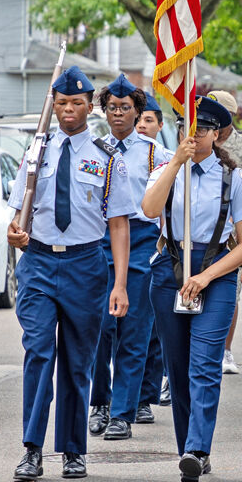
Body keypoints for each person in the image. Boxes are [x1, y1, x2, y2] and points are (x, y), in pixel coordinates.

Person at [8, 65, 134, 482]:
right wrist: (14, 232)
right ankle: (32, 449)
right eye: (61, 102)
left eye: (76, 103)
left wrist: (119, 284)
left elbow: (118, 224)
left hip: (85, 265)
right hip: (40, 262)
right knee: (39, 353)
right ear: (55, 105)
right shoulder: (35, 151)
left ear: (88, 106)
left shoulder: (106, 158)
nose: (68, 110)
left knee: (78, 361)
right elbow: (16, 212)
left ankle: (74, 450)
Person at [141, 96, 242, 482]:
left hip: (215, 273)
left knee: (204, 365)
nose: (194, 135)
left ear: (217, 134)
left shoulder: (233, 178)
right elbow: (149, 209)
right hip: (170, 272)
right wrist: (176, 163)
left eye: (203, 129)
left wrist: (206, 278)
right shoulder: (166, 169)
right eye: (187, 127)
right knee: (176, 369)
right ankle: (188, 447)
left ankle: (197, 448)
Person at [88, 74, 171, 440]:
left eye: (125, 108)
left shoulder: (156, 153)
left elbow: (167, 203)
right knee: (100, 328)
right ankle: (100, 403)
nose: (118, 114)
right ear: (104, 112)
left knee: (134, 329)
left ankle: (123, 410)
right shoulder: (93, 149)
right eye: (112, 108)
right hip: (99, 240)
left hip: (140, 240)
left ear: (138, 112)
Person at [205, 90, 242, 377]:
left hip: (231, 234)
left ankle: (224, 349)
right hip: (198, 227)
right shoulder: (197, 139)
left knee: (229, 294)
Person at [134, 91, 171, 409]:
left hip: (153, 241)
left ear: (160, 125)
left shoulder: (165, 158)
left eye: (149, 120)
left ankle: (146, 396)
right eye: (139, 119)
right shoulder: (119, 153)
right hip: (119, 238)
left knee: (151, 325)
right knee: (119, 324)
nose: (142, 125)